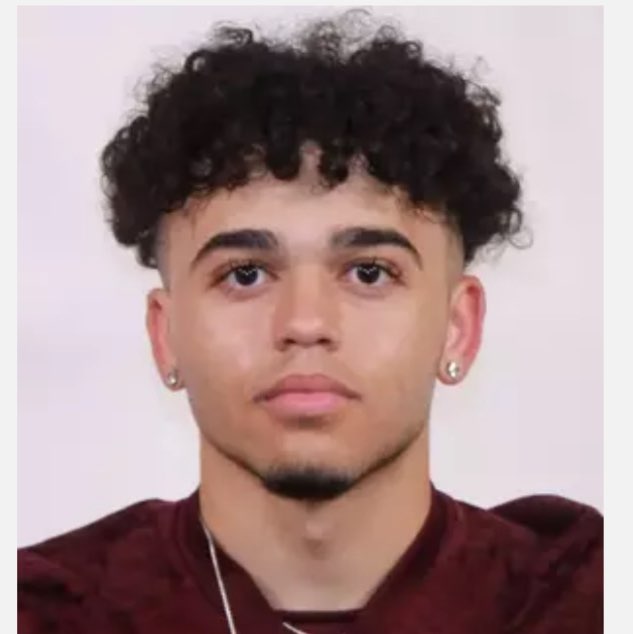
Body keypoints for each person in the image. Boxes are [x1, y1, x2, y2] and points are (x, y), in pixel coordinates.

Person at [18, 12, 602, 634]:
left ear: (458, 326)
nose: (304, 323)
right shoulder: (45, 611)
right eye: (246, 274)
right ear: (165, 337)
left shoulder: (584, 598)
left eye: (369, 273)